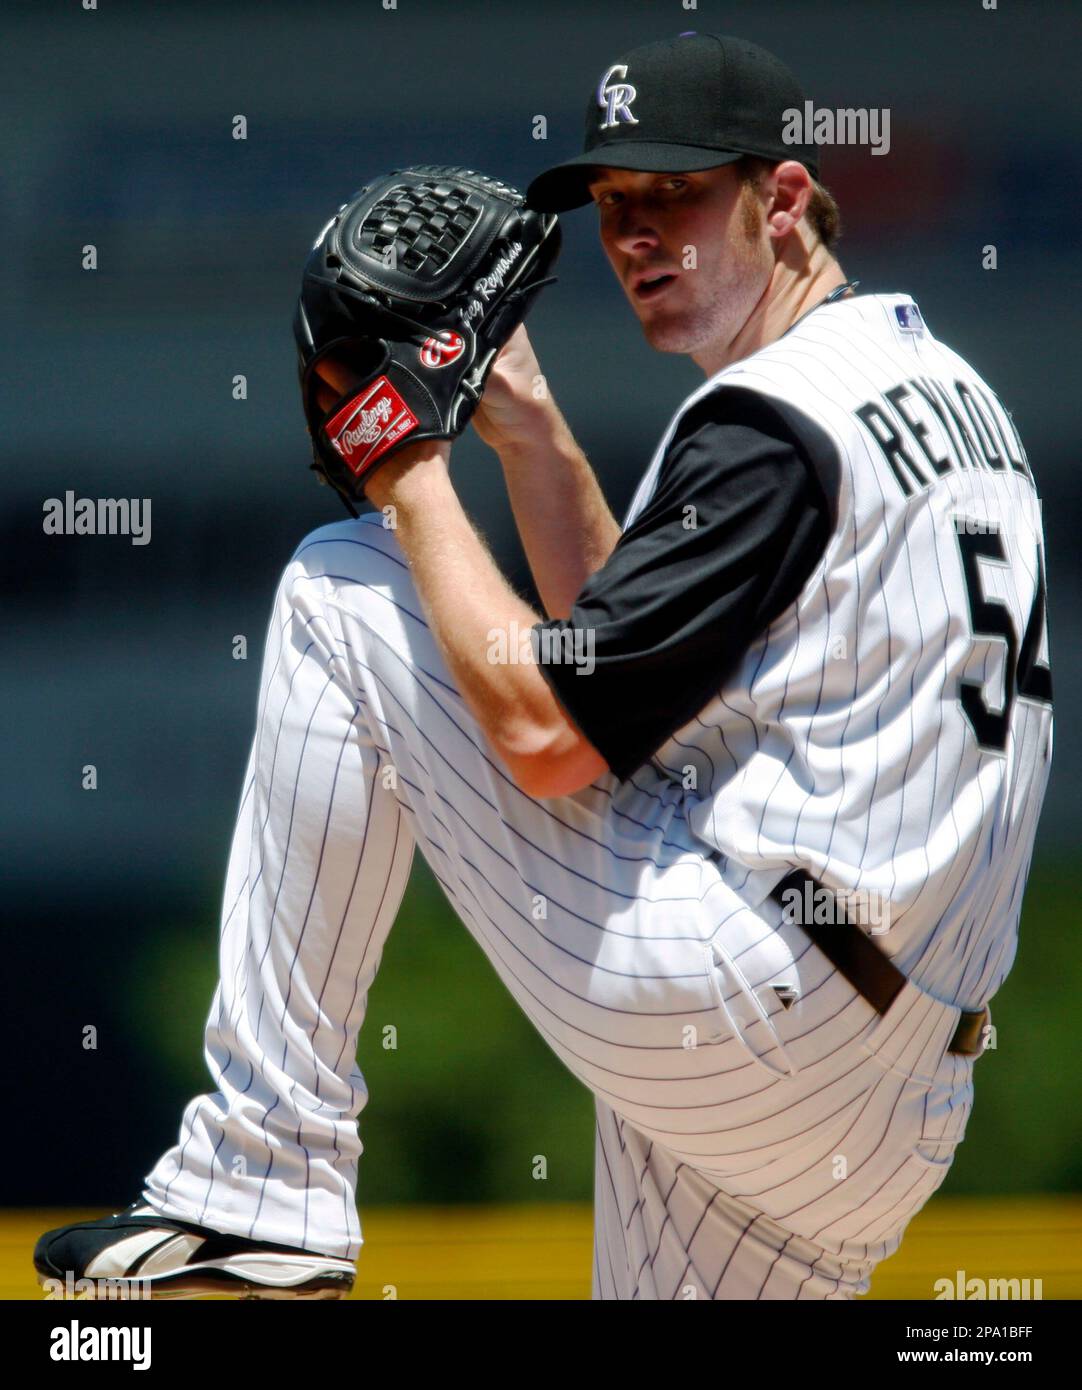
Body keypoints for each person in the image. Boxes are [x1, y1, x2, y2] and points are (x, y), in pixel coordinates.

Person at [34, 32, 1052, 1301]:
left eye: (673, 194)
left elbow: (543, 736)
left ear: (781, 200)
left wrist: (401, 458)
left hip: (752, 996)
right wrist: (523, 428)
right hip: (889, 1097)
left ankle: (258, 1180)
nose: (633, 235)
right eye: (614, 205)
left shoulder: (768, 418)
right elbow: (632, 693)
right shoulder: (940, 393)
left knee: (344, 587)